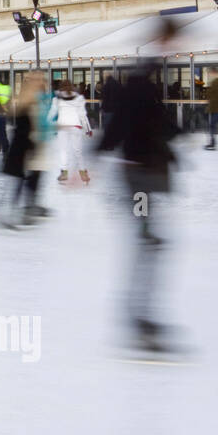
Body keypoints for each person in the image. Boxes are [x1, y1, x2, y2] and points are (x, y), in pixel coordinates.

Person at [98, 45, 181, 352]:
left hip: (138, 175)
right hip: (138, 177)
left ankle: (139, 312)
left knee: (145, 238)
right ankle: (137, 315)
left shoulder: (135, 96)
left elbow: (116, 132)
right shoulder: (142, 96)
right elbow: (153, 128)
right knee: (144, 238)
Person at [0, 73, 52, 229]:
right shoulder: (27, 103)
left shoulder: (31, 102)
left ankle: (10, 212)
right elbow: (23, 129)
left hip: (22, 149)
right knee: (14, 183)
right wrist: (32, 143)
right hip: (19, 149)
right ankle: (5, 213)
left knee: (17, 183)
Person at [49, 79, 93, 183]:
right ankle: (83, 173)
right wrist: (88, 129)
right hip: (75, 126)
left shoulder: (57, 98)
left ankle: (64, 172)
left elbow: (52, 113)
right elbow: (82, 115)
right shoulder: (79, 98)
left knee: (64, 150)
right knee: (78, 151)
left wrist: (46, 124)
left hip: (62, 126)